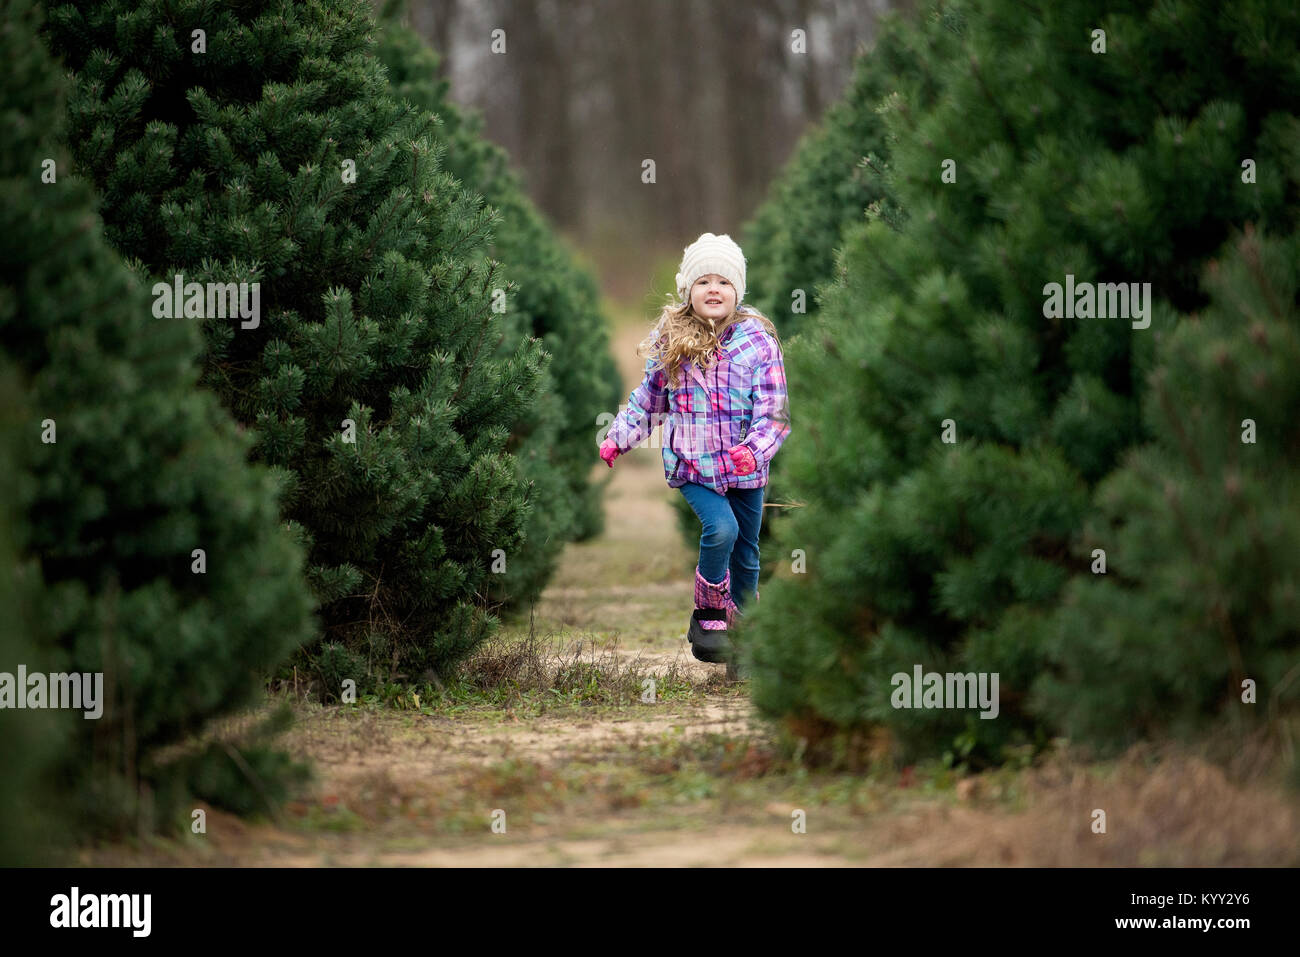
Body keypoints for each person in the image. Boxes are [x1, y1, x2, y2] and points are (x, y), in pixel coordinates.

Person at [599, 232, 791, 667]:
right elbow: (649, 400)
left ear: (737, 290)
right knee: (721, 530)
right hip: (695, 465)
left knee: (747, 553)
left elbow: (775, 413)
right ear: (688, 291)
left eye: (723, 282)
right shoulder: (672, 341)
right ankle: (707, 615)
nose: (713, 290)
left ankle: (746, 641)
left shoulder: (758, 341)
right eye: (703, 282)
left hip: (745, 469)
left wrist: (755, 451)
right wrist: (618, 437)